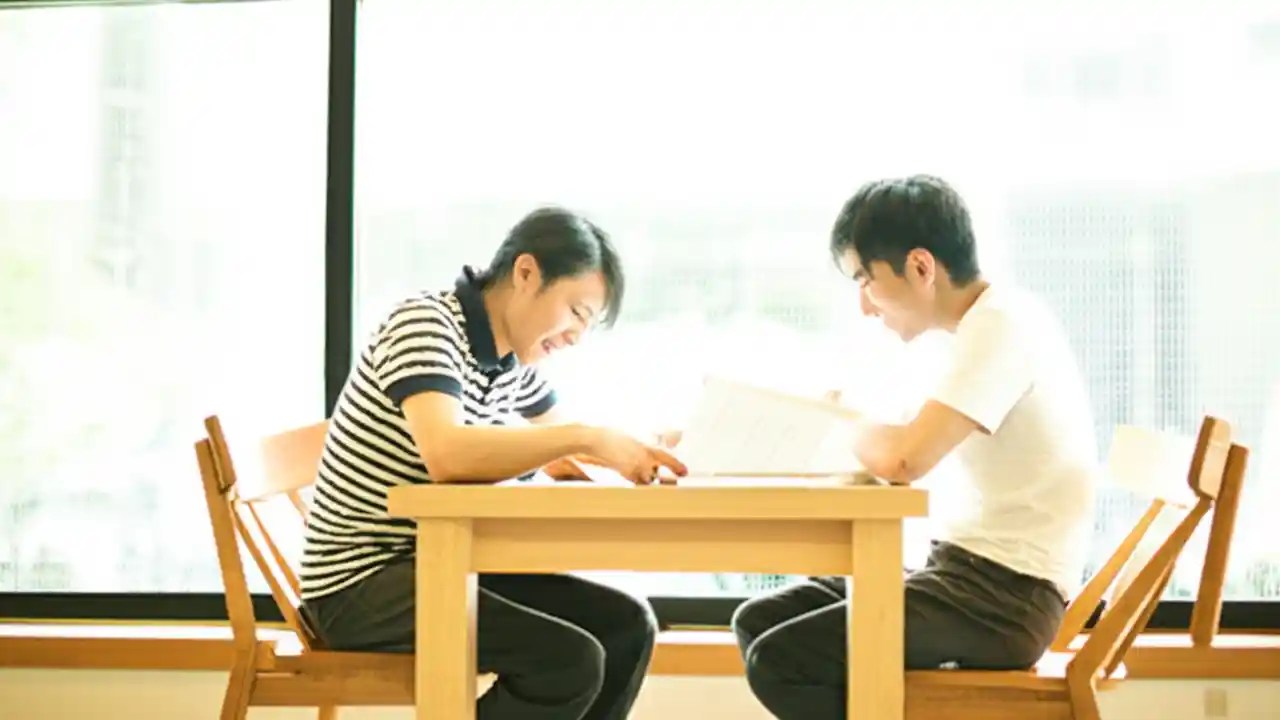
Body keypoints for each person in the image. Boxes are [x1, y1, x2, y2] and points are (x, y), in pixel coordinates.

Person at [731, 175, 1099, 719]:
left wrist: (843, 421)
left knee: (781, 657)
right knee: (759, 622)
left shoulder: (1001, 328)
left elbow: (905, 459)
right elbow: (897, 439)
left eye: (865, 280)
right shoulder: (978, 331)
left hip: (1003, 601)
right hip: (967, 579)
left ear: (921, 267)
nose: (864, 306)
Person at [299, 206, 688, 720]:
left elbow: (562, 437)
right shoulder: (425, 325)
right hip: (362, 583)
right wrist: (586, 440)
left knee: (626, 626)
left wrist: (637, 444)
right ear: (526, 274)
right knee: (566, 661)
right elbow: (448, 454)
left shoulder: (510, 360)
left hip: (440, 560)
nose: (576, 336)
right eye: (577, 313)